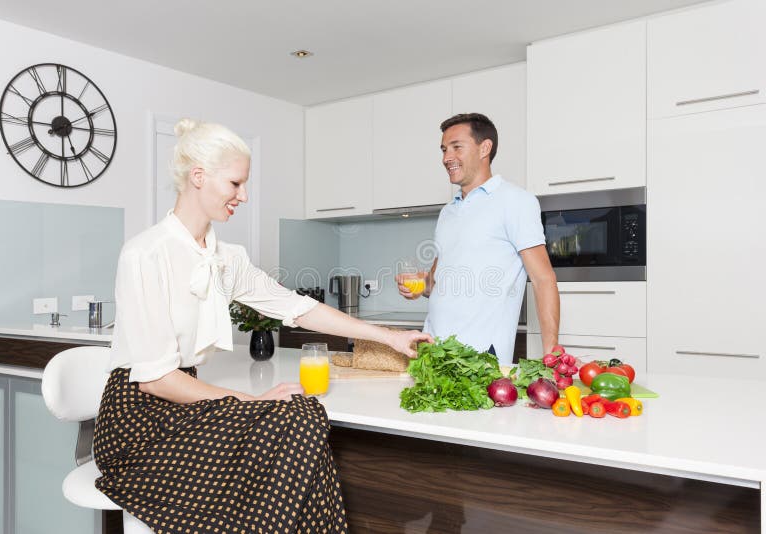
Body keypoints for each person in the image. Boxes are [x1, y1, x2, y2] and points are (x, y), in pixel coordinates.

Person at [93, 118, 432, 534]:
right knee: (287, 418)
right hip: (139, 423)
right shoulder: (145, 254)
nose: (244, 196)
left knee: (303, 412)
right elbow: (156, 381)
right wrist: (247, 401)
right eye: (236, 183)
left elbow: (297, 308)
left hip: (191, 404)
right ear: (198, 176)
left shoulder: (225, 257)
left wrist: (389, 336)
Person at [396, 113, 559, 364]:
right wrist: (419, 286)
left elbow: (543, 279)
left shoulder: (516, 201)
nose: (446, 158)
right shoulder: (448, 212)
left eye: (456, 147)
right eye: (443, 150)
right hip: (434, 348)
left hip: (481, 356)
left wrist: (552, 356)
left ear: (484, 148)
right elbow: (436, 283)